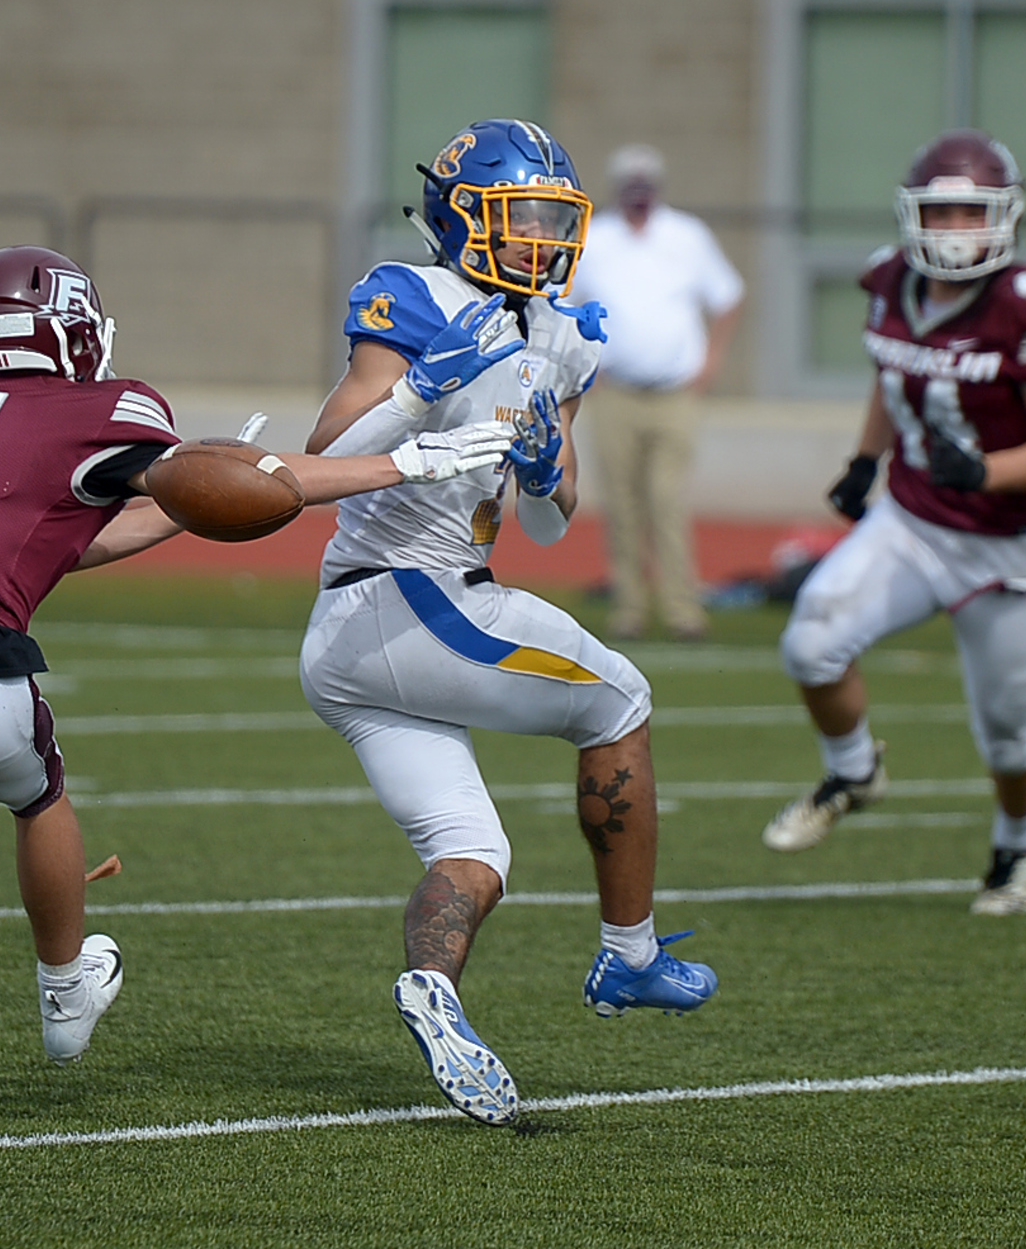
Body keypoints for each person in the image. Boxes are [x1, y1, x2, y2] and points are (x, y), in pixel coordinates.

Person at [0, 245, 513, 1144]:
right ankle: (65, 983)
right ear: (63, 325)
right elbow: (248, 482)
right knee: (38, 794)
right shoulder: (107, 406)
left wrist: (203, 492)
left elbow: (75, 536)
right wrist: (406, 462)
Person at [299, 118, 718, 1127]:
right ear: (459, 218)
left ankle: (431, 991)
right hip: (399, 588)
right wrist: (417, 389)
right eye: (514, 216)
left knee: (472, 854)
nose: (536, 238)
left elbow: (544, 512)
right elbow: (322, 454)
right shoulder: (415, 297)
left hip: (376, 628)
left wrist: (540, 467)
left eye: (549, 218)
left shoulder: (565, 332)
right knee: (618, 697)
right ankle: (628, 957)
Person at [760, 130, 1026, 918]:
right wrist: (865, 458)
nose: (953, 231)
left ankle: (1018, 843)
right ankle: (854, 770)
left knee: (1008, 736)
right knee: (811, 640)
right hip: (915, 520)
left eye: (970, 213)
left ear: (1005, 218)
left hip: (1011, 546)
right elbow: (897, 371)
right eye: (940, 212)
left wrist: (988, 471)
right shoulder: (890, 281)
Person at [570, 144, 744, 640]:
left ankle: (682, 609)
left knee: (667, 500)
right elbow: (564, 303)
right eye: (631, 184)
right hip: (616, 393)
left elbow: (728, 296)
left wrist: (710, 362)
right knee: (622, 504)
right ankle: (629, 608)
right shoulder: (596, 238)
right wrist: (588, 367)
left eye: (646, 184)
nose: (638, 193)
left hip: (674, 394)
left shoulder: (686, 236)